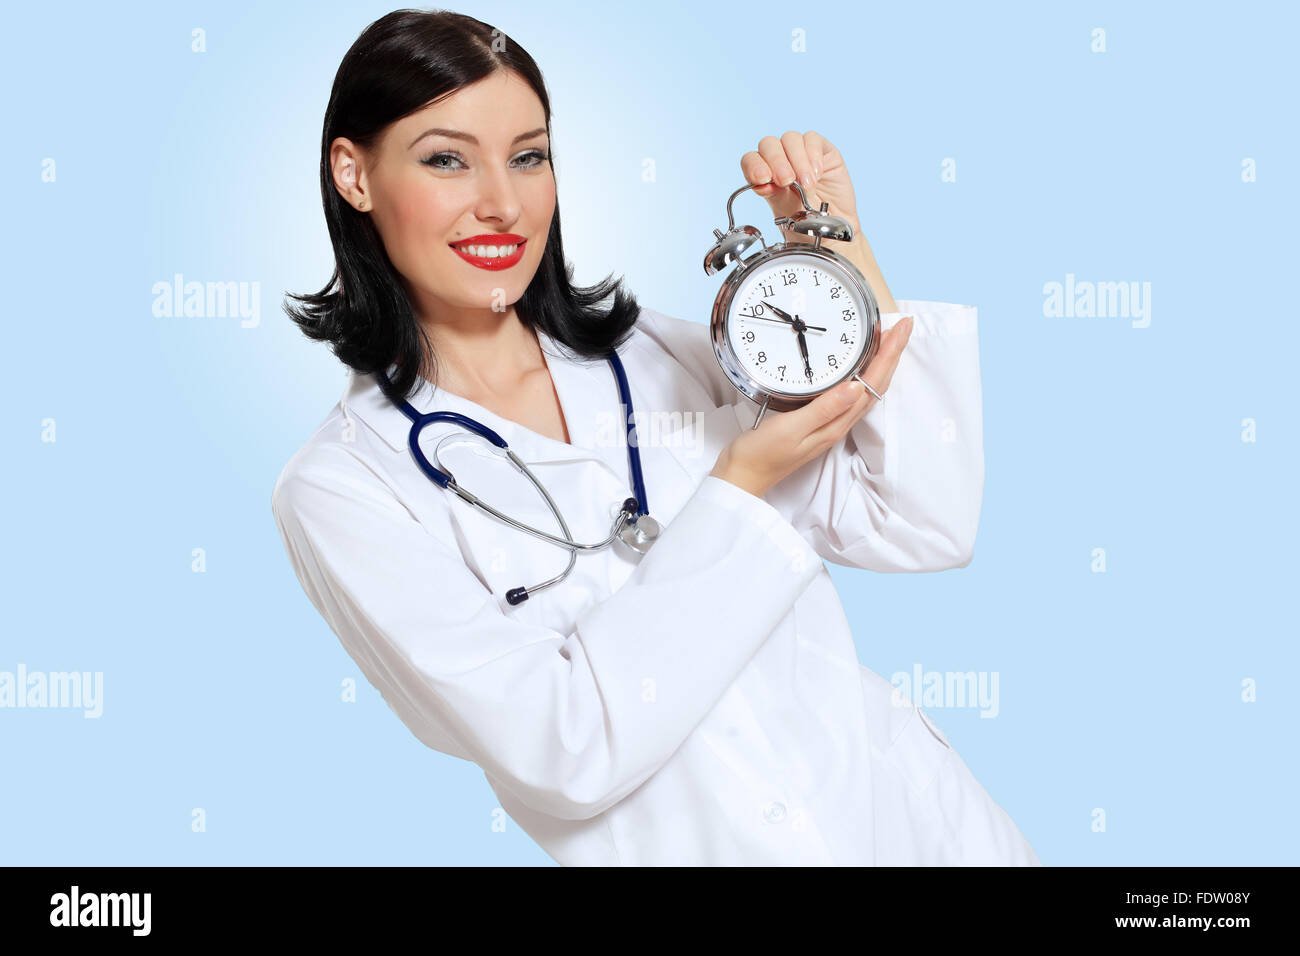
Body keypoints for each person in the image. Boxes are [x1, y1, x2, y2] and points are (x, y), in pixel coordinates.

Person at [272, 8, 1040, 866]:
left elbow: (919, 522)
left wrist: (835, 248)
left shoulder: (661, 355)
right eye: (447, 159)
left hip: (928, 835)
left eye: (529, 156)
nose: (502, 203)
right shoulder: (345, 487)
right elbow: (564, 751)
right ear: (354, 174)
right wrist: (738, 492)